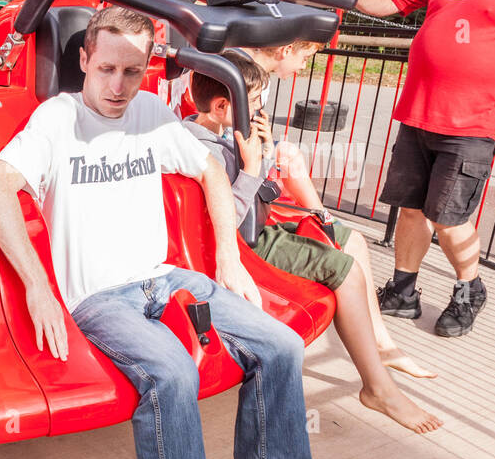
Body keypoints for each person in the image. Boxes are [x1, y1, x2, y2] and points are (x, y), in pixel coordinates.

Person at [0, 6, 318, 459]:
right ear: (83, 60)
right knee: (169, 372)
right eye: (106, 68)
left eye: (132, 71)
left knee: (280, 344)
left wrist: (225, 254)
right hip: (101, 297)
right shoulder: (57, 119)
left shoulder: (154, 114)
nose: (117, 85)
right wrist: (37, 287)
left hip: (168, 278)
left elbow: (211, 168)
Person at [184, 50, 441, 433]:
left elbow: (263, 190)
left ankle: (381, 347)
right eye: (254, 103)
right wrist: (252, 167)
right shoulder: (200, 147)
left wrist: (265, 154)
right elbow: (228, 218)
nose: (258, 110)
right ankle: (377, 388)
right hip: (244, 244)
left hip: (261, 224)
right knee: (345, 270)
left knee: (351, 241)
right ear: (224, 106)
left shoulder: (225, 133)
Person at [322, 0, 495, 338]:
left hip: (476, 119)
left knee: (449, 219)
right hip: (420, 109)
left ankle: (470, 287)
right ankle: (403, 292)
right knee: (410, 208)